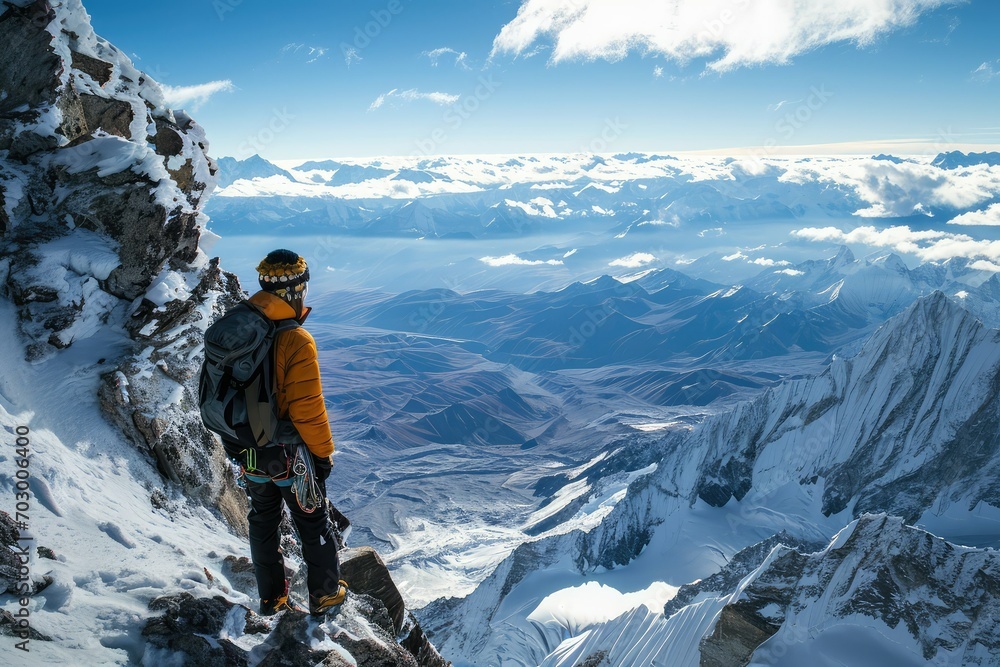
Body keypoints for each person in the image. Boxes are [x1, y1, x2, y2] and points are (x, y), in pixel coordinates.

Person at [238, 248, 346, 616]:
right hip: (288, 454)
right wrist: (322, 455)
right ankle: (324, 594)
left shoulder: (242, 329)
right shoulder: (296, 339)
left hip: (249, 449)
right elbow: (308, 409)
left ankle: (272, 597)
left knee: (262, 519)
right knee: (312, 521)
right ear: (296, 290)